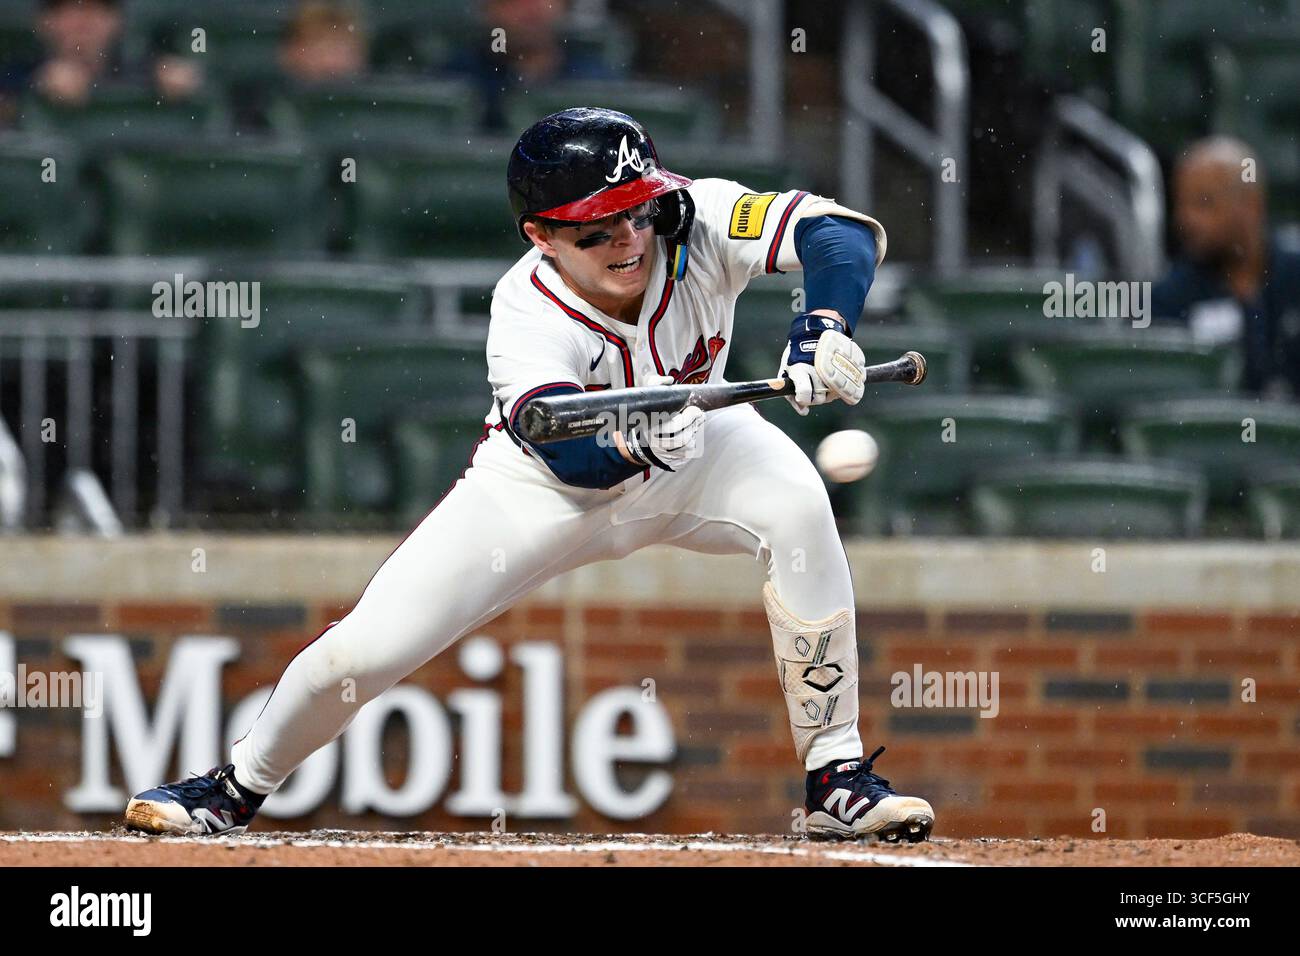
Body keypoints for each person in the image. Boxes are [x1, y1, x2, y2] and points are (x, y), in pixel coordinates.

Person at [123, 108, 935, 843]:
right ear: (541, 235)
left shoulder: (697, 215)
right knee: (364, 652)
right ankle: (232, 787)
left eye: (637, 212)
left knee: (798, 503)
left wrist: (822, 326)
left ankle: (836, 777)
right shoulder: (524, 311)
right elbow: (567, 449)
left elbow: (840, 236)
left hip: (705, 446)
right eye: (597, 230)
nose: (630, 241)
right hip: (540, 492)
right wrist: (646, 442)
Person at [1151, 136, 1300, 398]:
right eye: (1181, 203)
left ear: (1251, 205)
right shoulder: (1166, 300)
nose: (1186, 218)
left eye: (1203, 202)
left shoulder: (1294, 274)